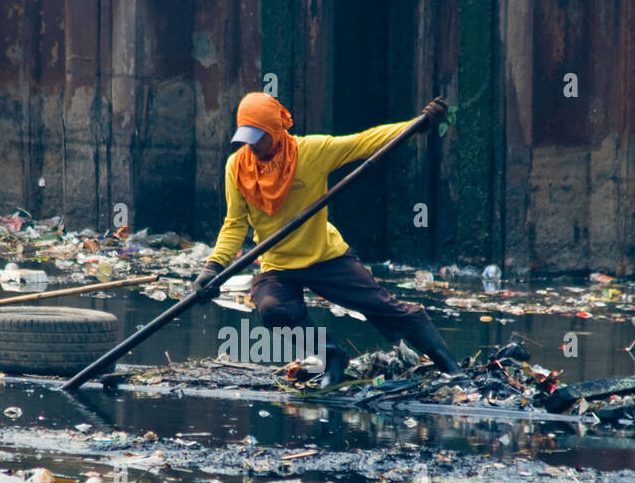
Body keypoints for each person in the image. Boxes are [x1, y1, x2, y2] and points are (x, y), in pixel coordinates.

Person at [193, 92, 461, 385]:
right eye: (247, 138)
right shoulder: (236, 167)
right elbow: (233, 225)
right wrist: (213, 268)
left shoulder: (311, 151)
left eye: (260, 137)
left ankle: (450, 367)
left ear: (276, 131)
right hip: (278, 265)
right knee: (272, 308)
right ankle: (332, 355)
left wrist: (417, 126)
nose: (253, 146)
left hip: (325, 256)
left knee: (383, 308)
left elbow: (364, 142)